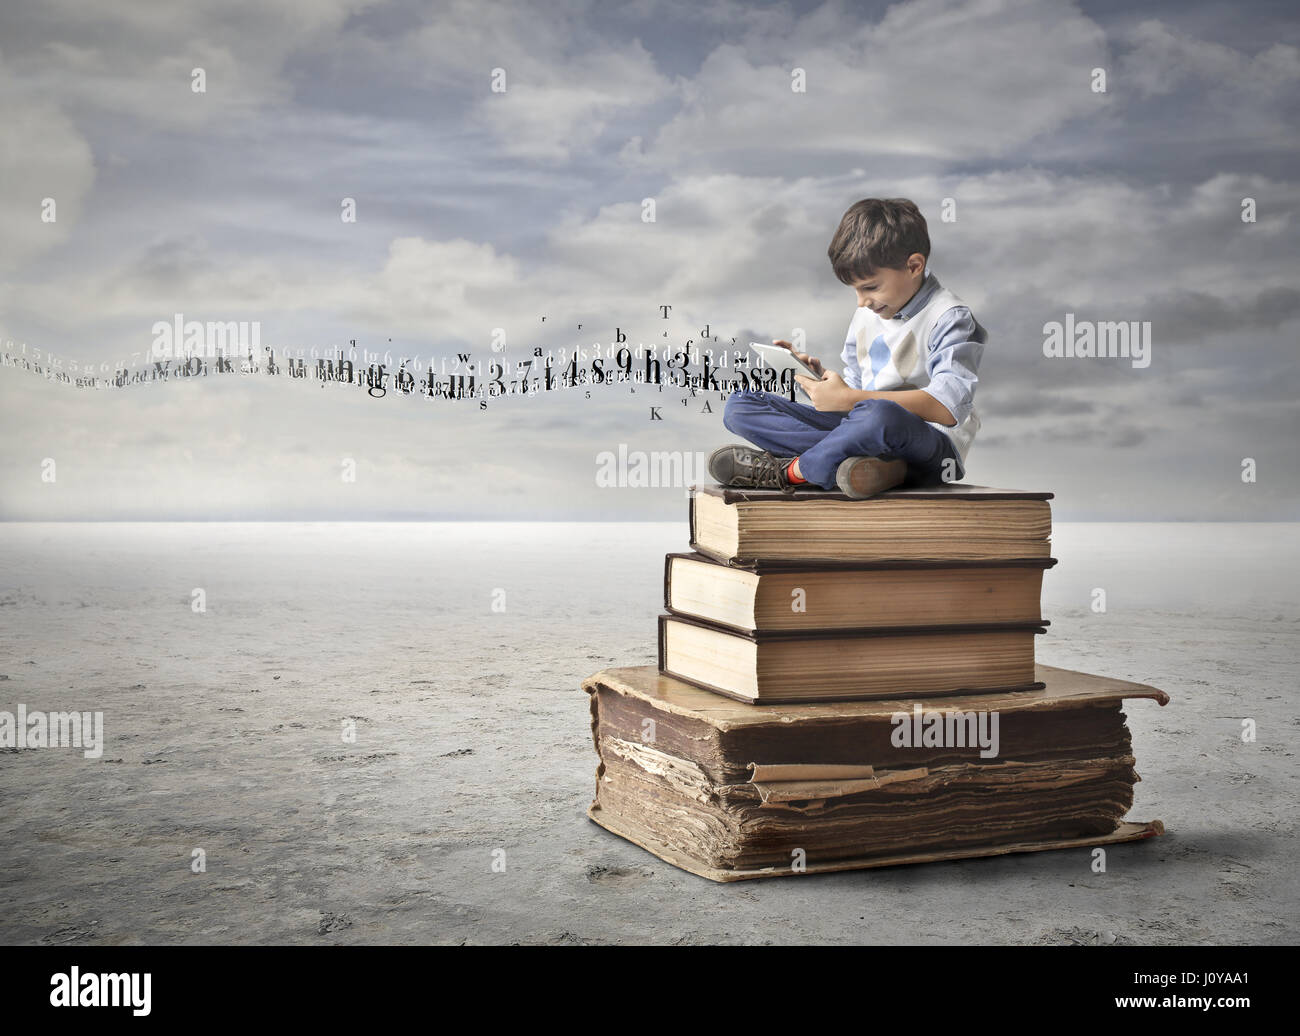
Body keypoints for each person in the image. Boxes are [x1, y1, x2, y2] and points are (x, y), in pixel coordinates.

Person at [709, 197, 985, 499]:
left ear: (914, 266)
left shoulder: (949, 316)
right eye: (855, 290)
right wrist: (820, 381)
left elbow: (948, 408)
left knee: (879, 415)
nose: (861, 301)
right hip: (867, 427)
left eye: (870, 287)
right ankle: (872, 467)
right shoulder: (867, 313)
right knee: (741, 405)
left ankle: (792, 472)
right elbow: (854, 394)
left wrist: (850, 398)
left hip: (930, 442)